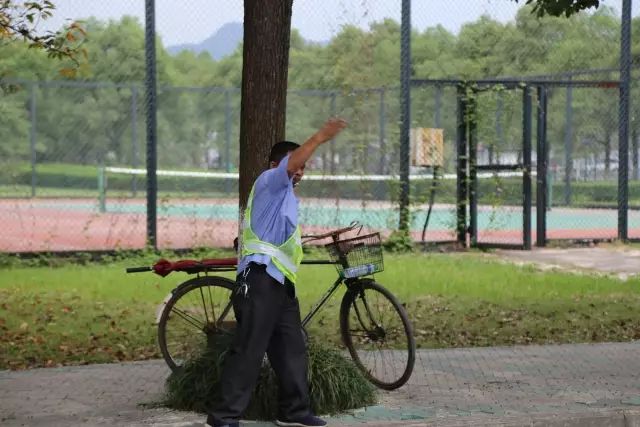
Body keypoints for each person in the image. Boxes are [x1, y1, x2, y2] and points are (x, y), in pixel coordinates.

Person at [206, 118, 348, 427]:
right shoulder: (270, 179)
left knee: (291, 349)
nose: (300, 171)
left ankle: (293, 412)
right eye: (297, 165)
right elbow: (290, 164)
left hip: (280, 283)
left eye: (304, 168)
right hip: (259, 281)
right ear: (277, 164)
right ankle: (223, 416)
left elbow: (278, 236)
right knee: (249, 350)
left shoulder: (284, 197)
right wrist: (321, 137)